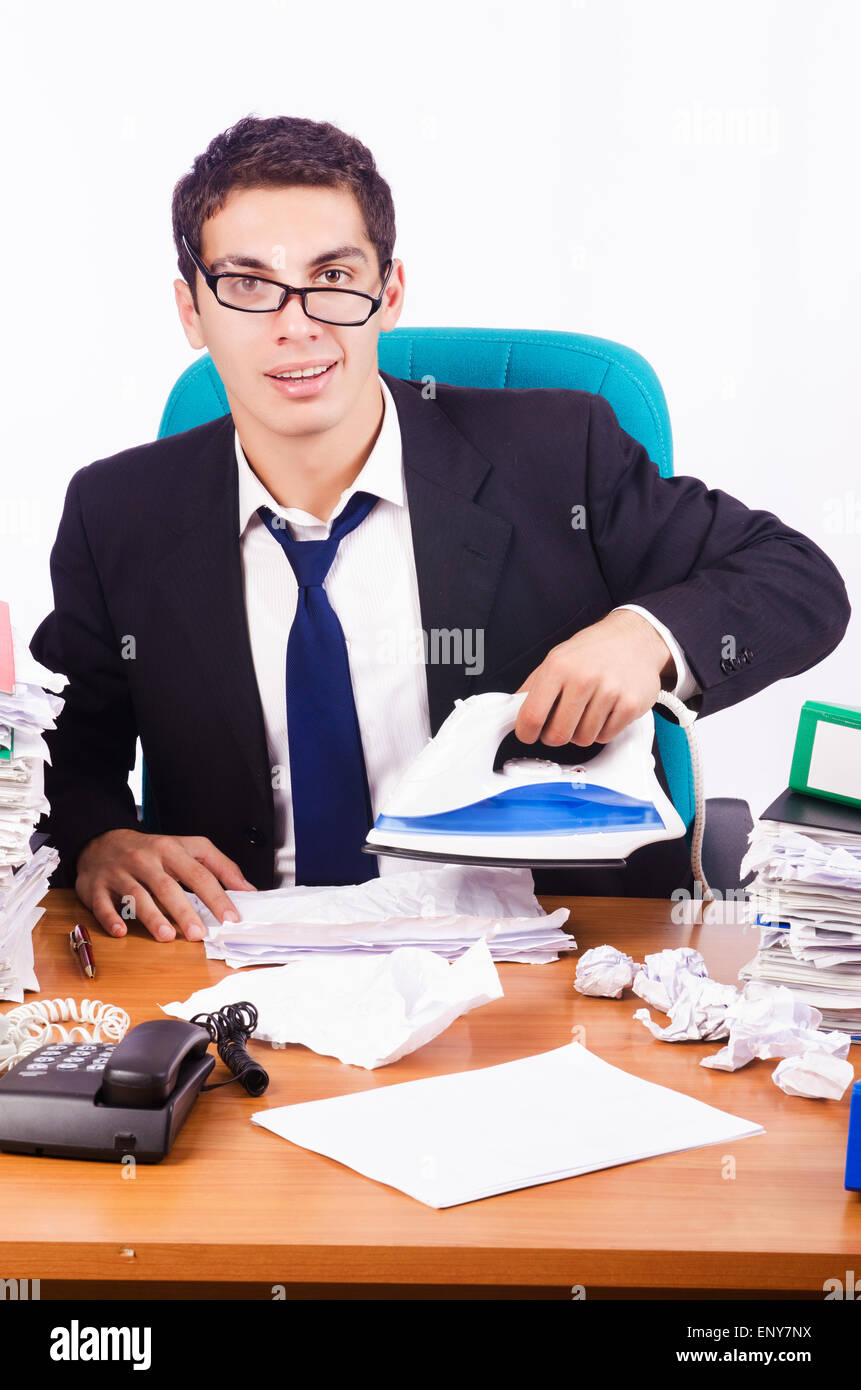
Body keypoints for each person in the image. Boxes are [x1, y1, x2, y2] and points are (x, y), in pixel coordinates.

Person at [29, 114, 851, 943]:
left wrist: (646, 638)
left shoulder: (556, 454)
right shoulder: (117, 512)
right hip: (240, 950)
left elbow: (797, 581)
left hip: (544, 956)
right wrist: (99, 837)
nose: (295, 324)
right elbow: (64, 748)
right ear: (191, 311)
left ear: (387, 295)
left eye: (332, 276)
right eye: (246, 283)